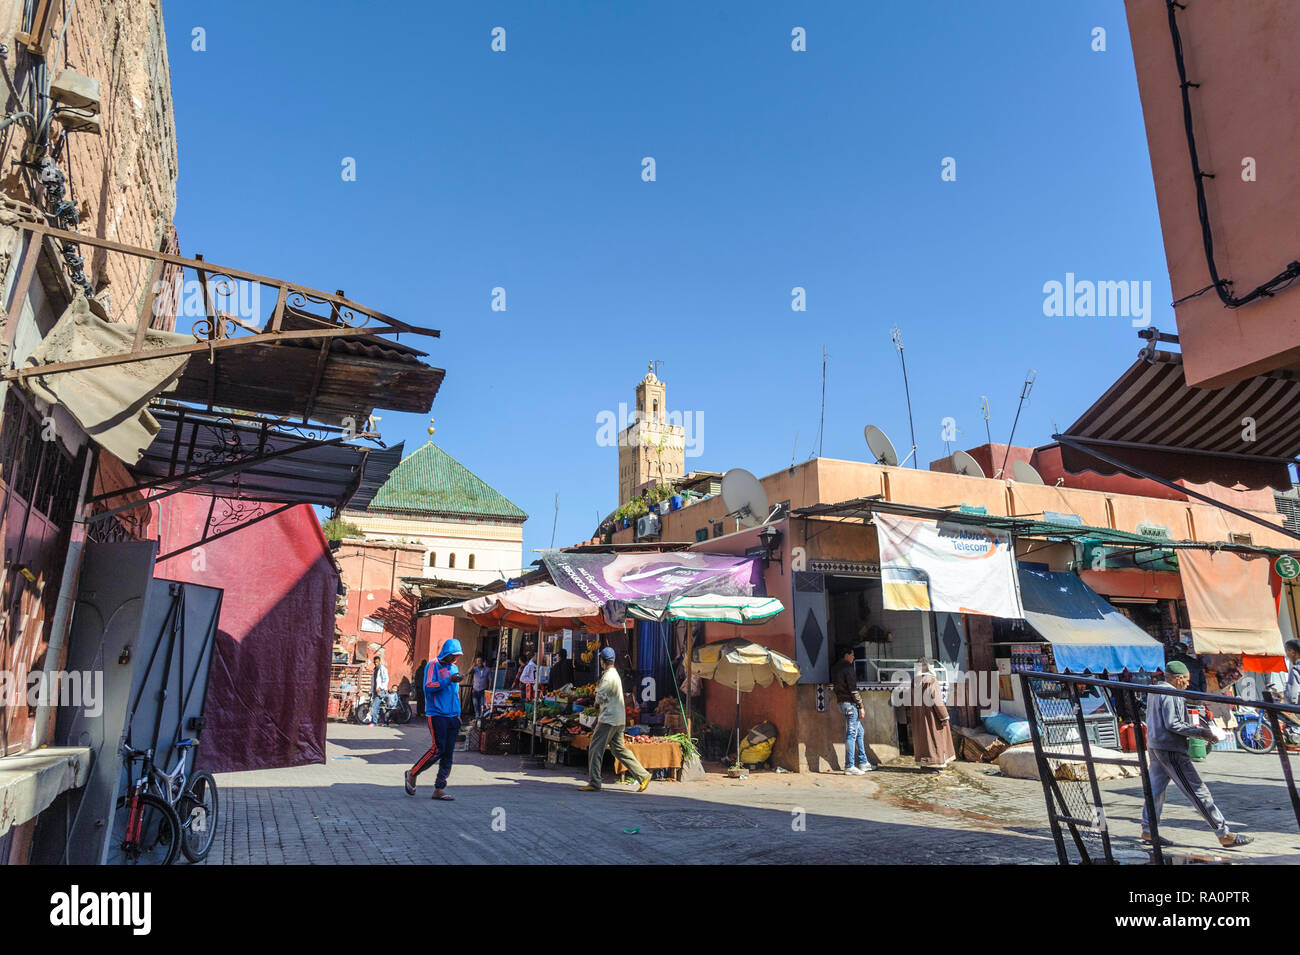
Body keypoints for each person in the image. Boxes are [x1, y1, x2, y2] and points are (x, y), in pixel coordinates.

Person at [1141, 660, 1253, 848]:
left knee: (1155, 791)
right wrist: (1202, 733)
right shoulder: (1171, 693)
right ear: (1178, 679)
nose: (1187, 684)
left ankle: (1148, 830)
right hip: (1171, 749)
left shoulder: (1154, 691)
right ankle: (1223, 833)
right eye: (1185, 680)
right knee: (1197, 791)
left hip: (1155, 745)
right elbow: (1173, 723)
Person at [578, 647, 650, 793]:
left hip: (608, 719)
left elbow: (600, 697)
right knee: (619, 750)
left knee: (595, 748)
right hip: (619, 718)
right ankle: (643, 775)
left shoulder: (608, 677)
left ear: (603, 661)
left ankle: (594, 782)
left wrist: (595, 707)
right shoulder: (615, 674)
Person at [405, 639, 464, 800]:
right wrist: (448, 680)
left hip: (453, 716)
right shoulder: (433, 664)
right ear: (447, 653)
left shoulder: (454, 668)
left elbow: (455, 693)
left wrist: (458, 714)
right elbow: (428, 687)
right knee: (437, 749)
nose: (454, 659)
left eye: (457, 656)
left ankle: (439, 788)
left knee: (448, 754)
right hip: (437, 714)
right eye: (453, 655)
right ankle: (412, 773)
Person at [830, 646, 872, 774]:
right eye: (852, 654)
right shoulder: (848, 668)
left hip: (841, 703)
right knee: (852, 734)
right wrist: (861, 706)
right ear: (846, 655)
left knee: (860, 732)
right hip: (850, 704)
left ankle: (863, 762)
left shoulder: (835, 668)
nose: (853, 657)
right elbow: (853, 690)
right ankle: (849, 766)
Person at [909, 658, 955, 771]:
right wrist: (944, 717)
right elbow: (937, 700)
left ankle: (924, 763)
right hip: (931, 716)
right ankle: (935, 763)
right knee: (934, 738)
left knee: (923, 740)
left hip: (919, 717)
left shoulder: (914, 681)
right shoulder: (931, 680)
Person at [369, 655, 389, 726]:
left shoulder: (383, 669)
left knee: (374, 706)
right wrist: (371, 690)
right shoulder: (375, 670)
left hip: (380, 691)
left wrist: (380, 688)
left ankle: (374, 722)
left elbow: (386, 680)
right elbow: (373, 681)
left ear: (380, 661)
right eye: (374, 662)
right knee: (377, 707)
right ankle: (384, 720)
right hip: (374, 691)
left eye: (377, 662)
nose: (376, 664)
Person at [470, 655, 491, 719]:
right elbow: (468, 672)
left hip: (483, 689)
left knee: (482, 705)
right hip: (475, 689)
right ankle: (477, 717)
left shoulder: (487, 669)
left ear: (483, 662)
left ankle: (481, 717)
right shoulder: (474, 669)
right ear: (476, 662)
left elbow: (490, 680)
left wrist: (489, 689)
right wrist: (472, 666)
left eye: (480, 661)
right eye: (478, 661)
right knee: (475, 705)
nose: (479, 662)